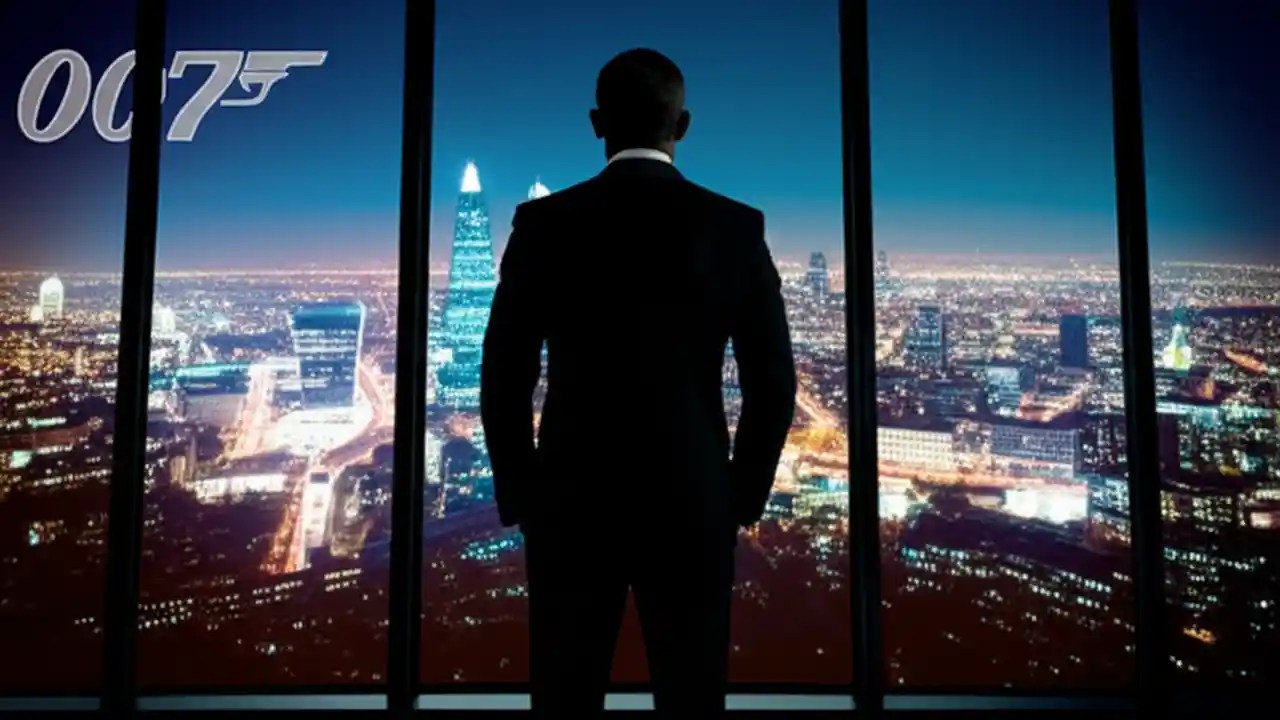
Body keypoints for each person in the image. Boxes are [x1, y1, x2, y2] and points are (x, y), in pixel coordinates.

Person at [480, 47, 796, 718]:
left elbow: (504, 376)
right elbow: (772, 381)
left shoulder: (543, 226)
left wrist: (524, 492)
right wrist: (738, 495)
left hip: (569, 500)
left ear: (597, 123)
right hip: (692, 502)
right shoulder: (735, 228)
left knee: (564, 696)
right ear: (682, 125)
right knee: (692, 695)